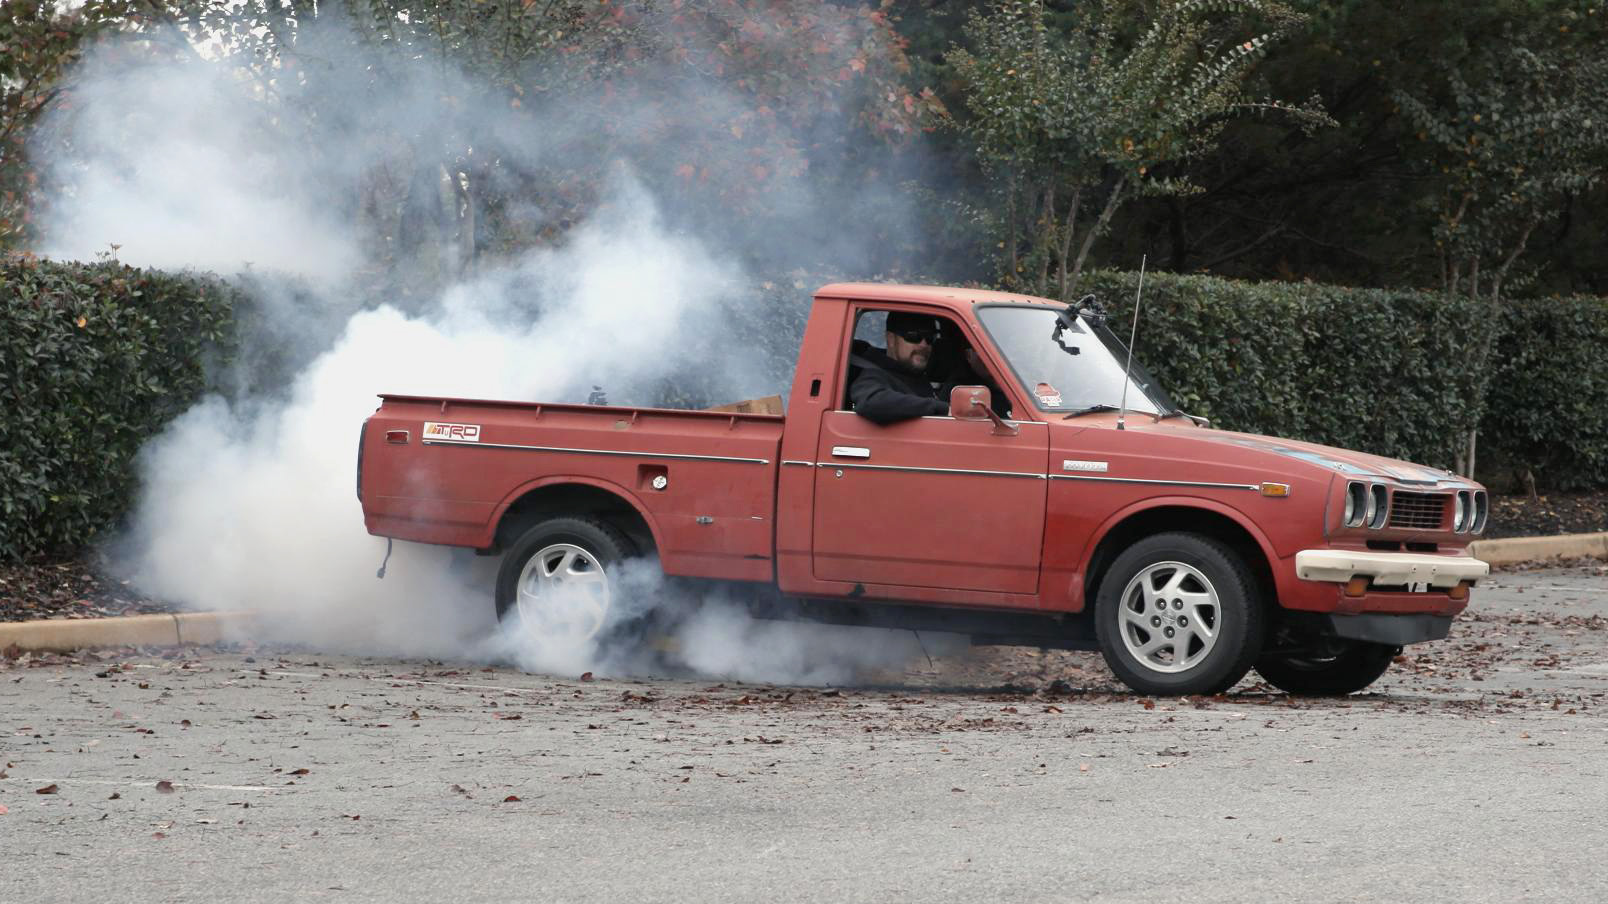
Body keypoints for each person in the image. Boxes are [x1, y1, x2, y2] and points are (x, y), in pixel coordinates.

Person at [848, 311, 950, 424]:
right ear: (891, 339)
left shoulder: (917, 376)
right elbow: (871, 402)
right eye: (913, 336)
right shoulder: (873, 374)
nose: (924, 345)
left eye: (930, 338)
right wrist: (942, 408)